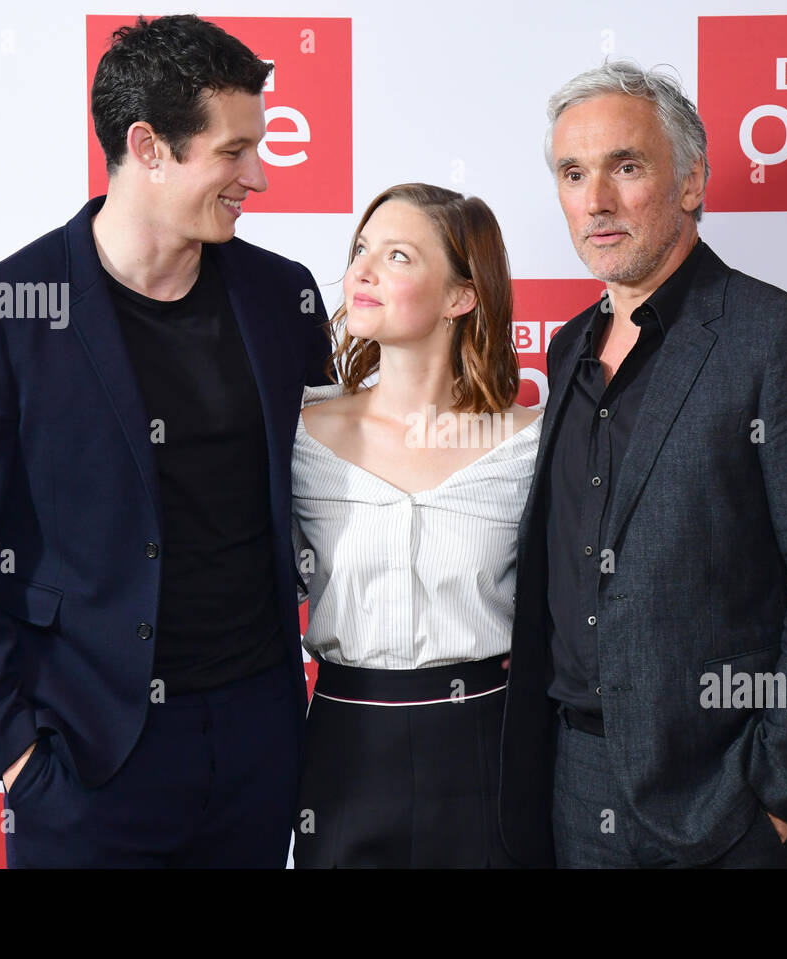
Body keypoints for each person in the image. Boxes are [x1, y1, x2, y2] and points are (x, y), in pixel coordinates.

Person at [0, 14, 330, 867]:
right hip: (88, 755)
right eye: (234, 151)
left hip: (260, 741)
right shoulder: (2, 312)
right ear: (149, 146)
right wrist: (17, 755)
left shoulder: (283, 296)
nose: (260, 176)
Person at [498, 61, 787, 868]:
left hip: (718, 792)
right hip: (570, 781)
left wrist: (775, 796)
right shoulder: (569, 348)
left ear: (691, 181)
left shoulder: (780, 340)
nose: (595, 200)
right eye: (573, 174)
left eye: (626, 166)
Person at [291, 183, 541, 867]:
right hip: (343, 745)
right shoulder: (299, 436)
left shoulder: (534, 443)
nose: (362, 272)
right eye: (361, 250)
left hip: (489, 745)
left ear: (462, 296)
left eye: (397, 255)